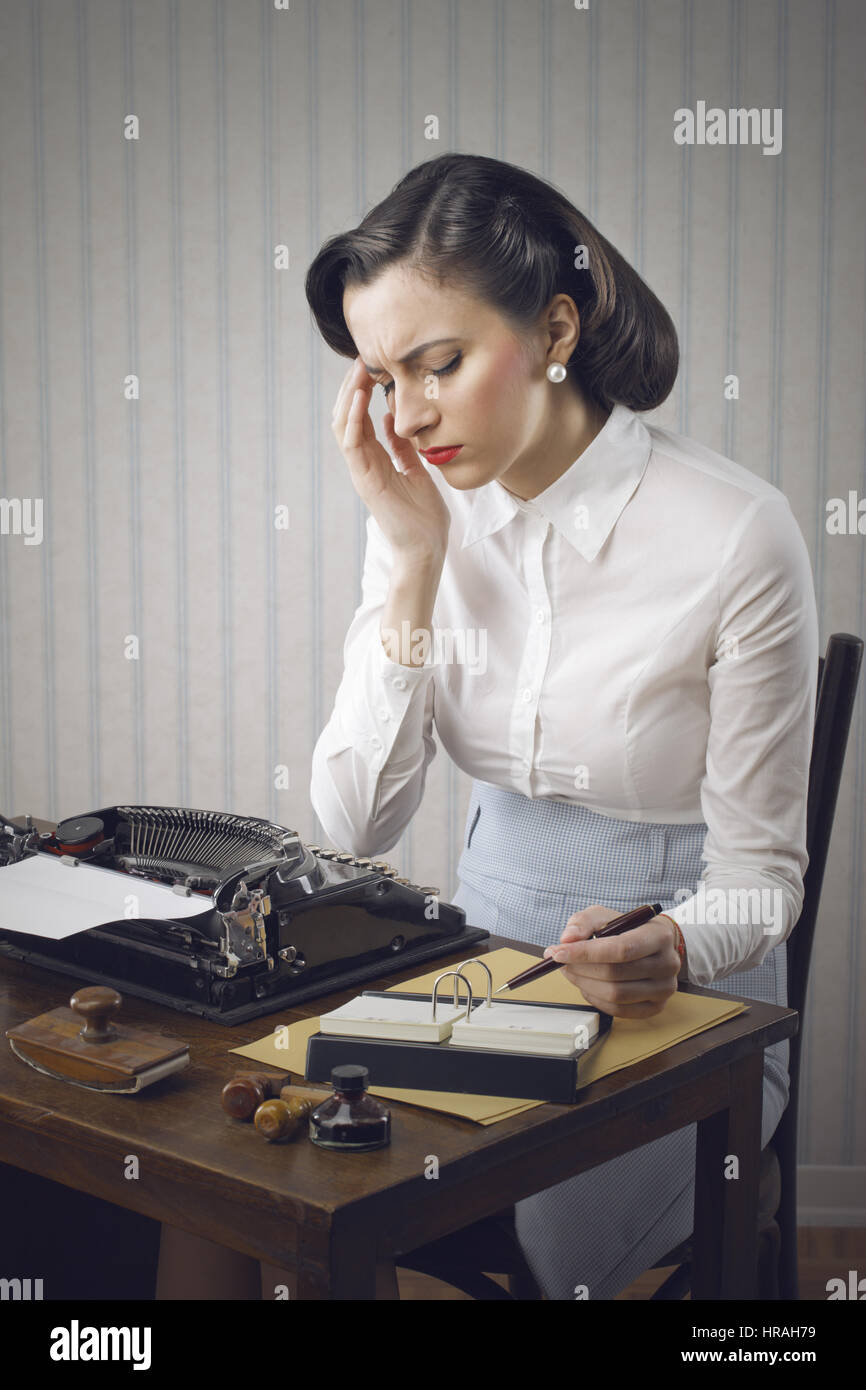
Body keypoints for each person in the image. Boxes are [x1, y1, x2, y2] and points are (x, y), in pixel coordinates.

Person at [306, 152, 818, 1301]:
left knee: (509, 1224)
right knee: (267, 1179)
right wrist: (411, 560)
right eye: (383, 377)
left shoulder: (736, 534)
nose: (410, 413)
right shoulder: (423, 513)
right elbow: (353, 820)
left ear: (553, 327)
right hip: (474, 980)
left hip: (682, 1004)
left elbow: (760, 884)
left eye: (436, 363)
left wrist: (673, 946)